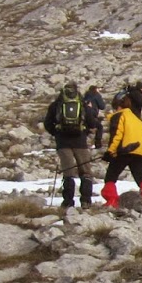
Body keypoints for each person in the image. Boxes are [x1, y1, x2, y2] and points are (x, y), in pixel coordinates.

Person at [43, 81, 101, 209]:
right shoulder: (83, 104)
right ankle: (86, 201)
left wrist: (56, 133)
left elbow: (47, 123)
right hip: (80, 142)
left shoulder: (56, 105)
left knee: (68, 172)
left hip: (63, 143)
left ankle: (68, 202)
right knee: (85, 172)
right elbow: (92, 123)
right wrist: (85, 131)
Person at [100, 92, 142, 208]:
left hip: (124, 150)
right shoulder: (137, 119)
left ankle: (112, 201)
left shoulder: (119, 116)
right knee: (141, 178)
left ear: (117, 105)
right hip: (140, 152)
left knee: (110, 177)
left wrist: (110, 152)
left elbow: (117, 135)